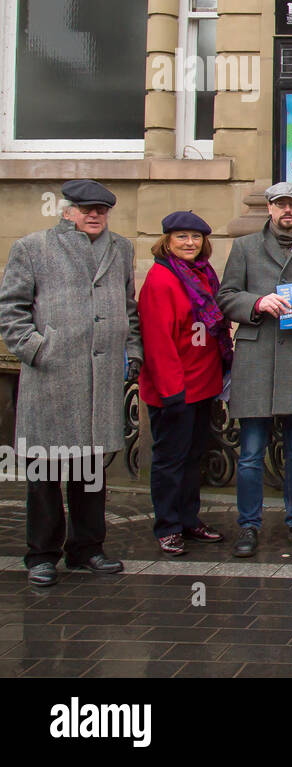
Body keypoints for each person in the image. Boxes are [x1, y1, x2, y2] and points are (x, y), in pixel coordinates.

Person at [0, 179, 142, 587]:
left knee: (91, 472)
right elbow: (11, 310)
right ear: (67, 211)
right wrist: (37, 349)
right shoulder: (34, 247)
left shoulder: (121, 249)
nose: (94, 215)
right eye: (86, 209)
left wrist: (132, 354)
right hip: (52, 380)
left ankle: (87, 549)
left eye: (101, 209)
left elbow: (128, 309)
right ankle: (42, 555)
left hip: (100, 382)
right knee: (45, 472)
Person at [217, 182, 292, 557]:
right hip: (257, 361)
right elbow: (225, 297)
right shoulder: (244, 248)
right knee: (252, 453)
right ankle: (249, 525)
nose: (288, 211)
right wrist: (256, 303)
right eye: (280, 204)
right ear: (269, 209)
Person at [137, 211, 231, 556]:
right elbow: (158, 341)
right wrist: (170, 390)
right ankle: (168, 525)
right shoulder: (161, 279)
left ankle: (190, 519)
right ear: (167, 241)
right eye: (182, 237)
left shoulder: (203, 274)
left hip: (203, 383)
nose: (190, 243)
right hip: (174, 389)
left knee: (193, 458)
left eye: (195, 238)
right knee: (170, 460)